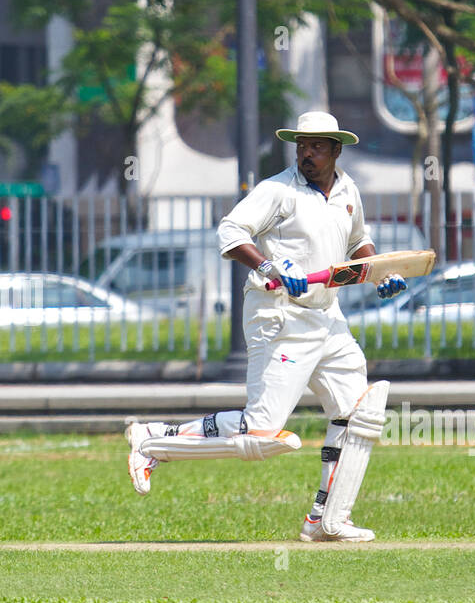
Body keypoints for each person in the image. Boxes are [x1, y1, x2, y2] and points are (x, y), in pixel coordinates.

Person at [124, 111, 406, 542]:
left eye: (316, 146)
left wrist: (380, 269)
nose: (306, 152)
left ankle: (327, 519)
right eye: (301, 145)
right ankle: (153, 439)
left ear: (336, 149)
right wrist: (273, 264)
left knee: (357, 412)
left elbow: (357, 241)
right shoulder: (278, 189)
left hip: (327, 316)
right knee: (262, 434)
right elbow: (231, 231)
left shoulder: (347, 189)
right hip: (279, 315)